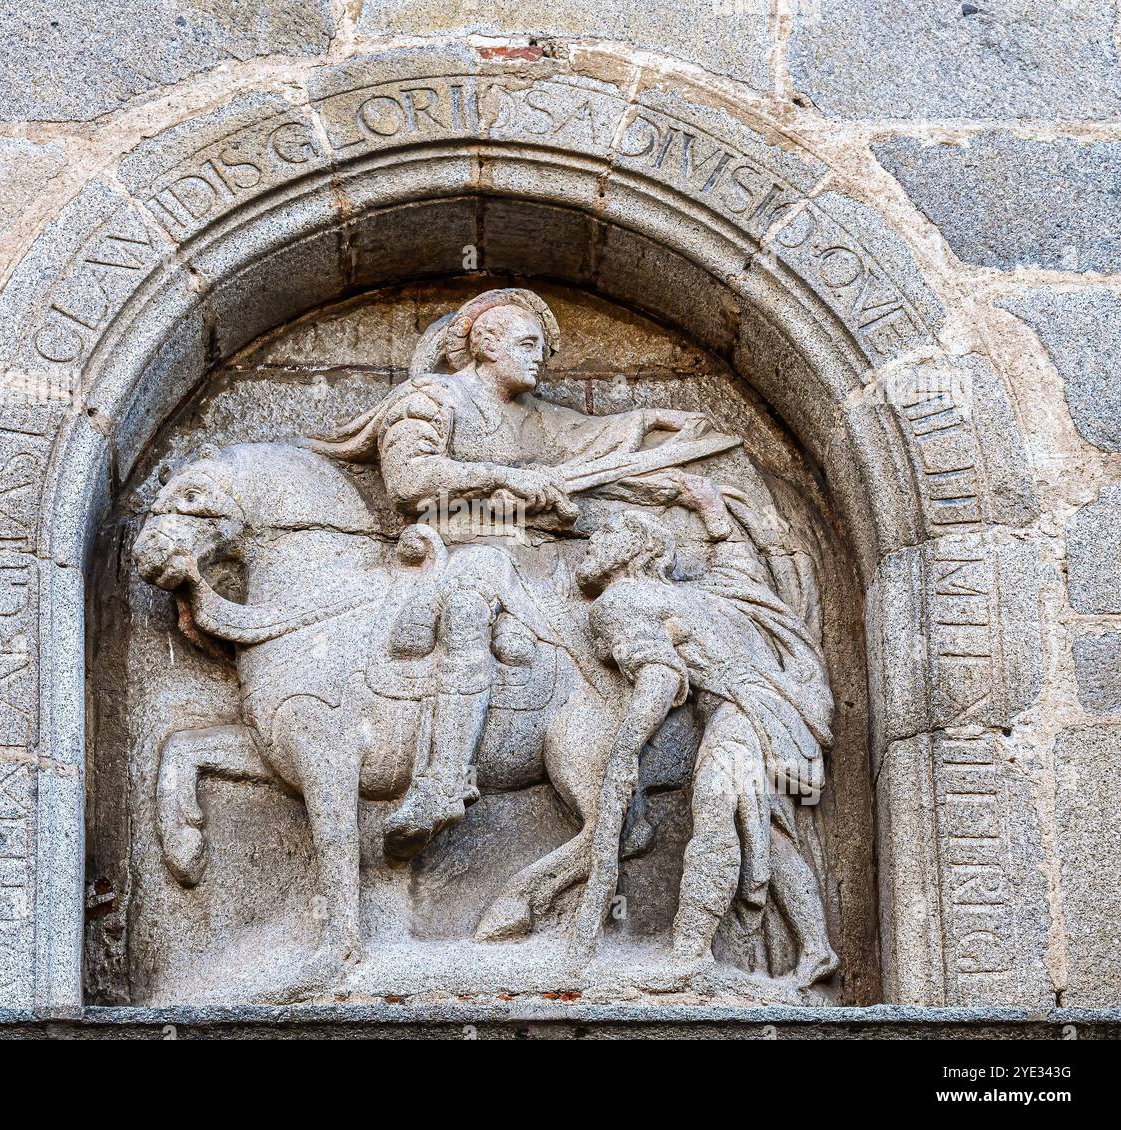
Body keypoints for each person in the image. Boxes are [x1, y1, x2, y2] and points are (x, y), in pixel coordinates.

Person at [308, 289, 720, 860]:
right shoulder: (431, 398)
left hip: (535, 563)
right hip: (448, 551)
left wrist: (651, 422)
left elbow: (590, 438)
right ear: (485, 342)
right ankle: (443, 780)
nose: (539, 360)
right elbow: (408, 480)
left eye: (543, 351)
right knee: (473, 587)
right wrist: (507, 479)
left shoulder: (536, 418)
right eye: (528, 345)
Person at [572, 509, 839, 986]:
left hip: (738, 711)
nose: (592, 543)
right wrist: (712, 512)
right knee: (764, 830)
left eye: (606, 532)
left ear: (636, 549)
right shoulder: (698, 595)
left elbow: (661, 676)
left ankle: (690, 958)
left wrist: (628, 747)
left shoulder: (621, 600)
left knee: (716, 812)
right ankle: (817, 948)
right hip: (782, 713)